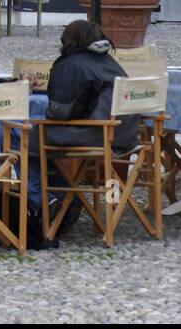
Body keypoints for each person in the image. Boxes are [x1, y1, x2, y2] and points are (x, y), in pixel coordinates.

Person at [27, 18, 138, 212]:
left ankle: (50, 199)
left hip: (97, 134)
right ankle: (65, 196)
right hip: (125, 134)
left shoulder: (70, 65)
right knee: (38, 140)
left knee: (26, 140)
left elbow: (60, 113)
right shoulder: (109, 62)